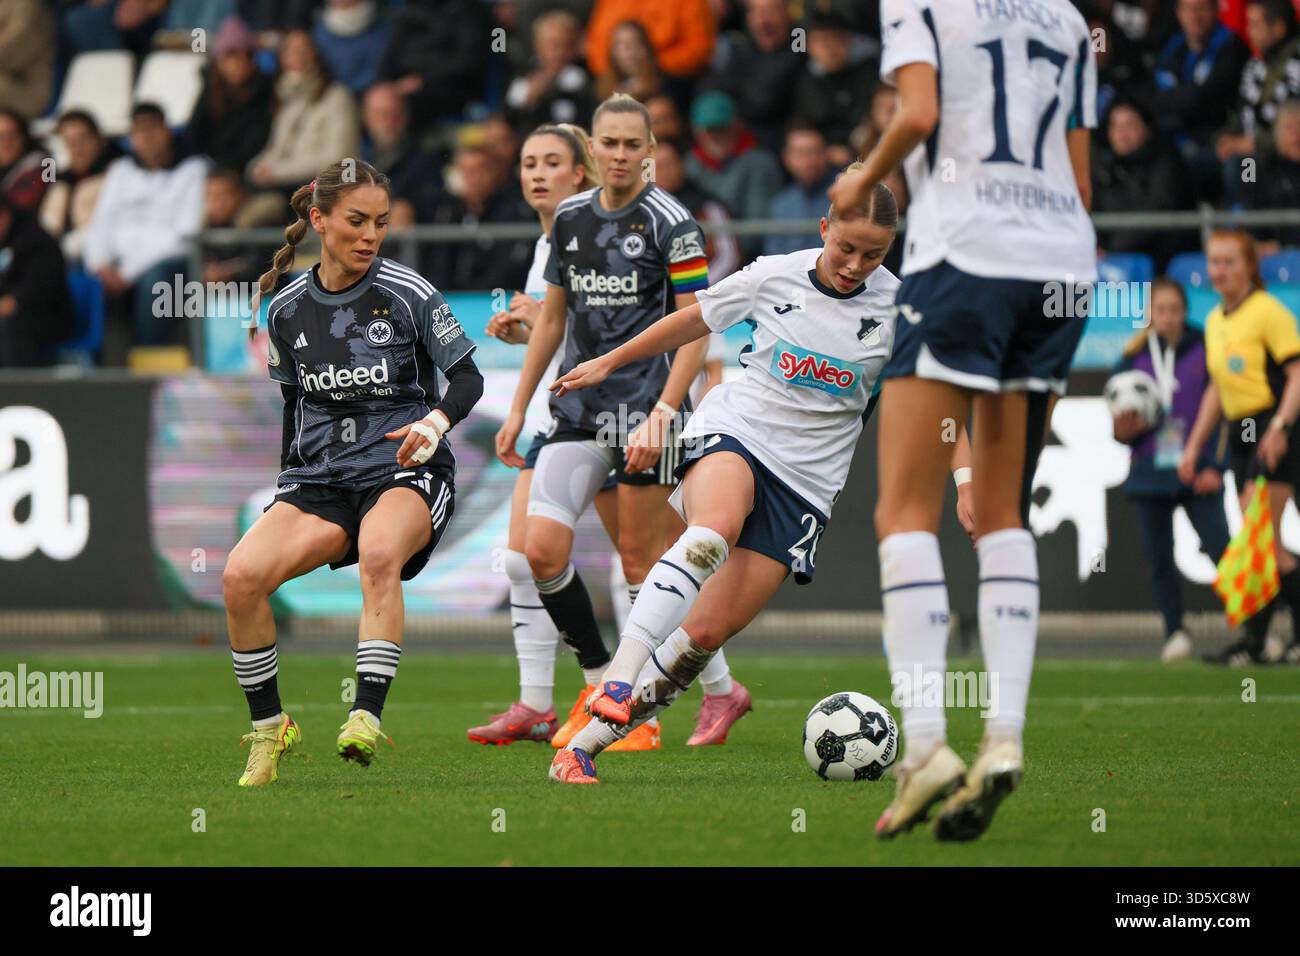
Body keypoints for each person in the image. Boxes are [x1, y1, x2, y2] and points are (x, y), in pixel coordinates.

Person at [830, 0, 1098, 841]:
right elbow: (1083, 183)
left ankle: (928, 748)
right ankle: (1005, 737)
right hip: (1060, 266)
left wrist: (861, 176)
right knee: (1002, 508)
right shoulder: (1066, 17)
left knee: (904, 511)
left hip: (966, 259)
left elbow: (918, 112)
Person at [546, 169, 899, 783]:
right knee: (712, 531)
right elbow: (694, 320)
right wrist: (609, 359)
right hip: (739, 432)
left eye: (874, 255)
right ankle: (619, 677)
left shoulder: (900, 308)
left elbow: (937, 397)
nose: (855, 265)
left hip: (808, 484)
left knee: (703, 635)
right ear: (824, 229)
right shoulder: (773, 274)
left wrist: (967, 474)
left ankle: (582, 751)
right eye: (846, 248)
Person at [494, 94, 746, 755]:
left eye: (632, 145)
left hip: (644, 415)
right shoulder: (570, 220)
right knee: (539, 552)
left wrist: (665, 412)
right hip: (577, 412)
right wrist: (521, 405)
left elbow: (697, 326)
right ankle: (602, 680)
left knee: (640, 563)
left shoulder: (673, 223)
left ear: (650, 151)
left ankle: (638, 712)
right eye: (608, 143)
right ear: (594, 150)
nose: (619, 155)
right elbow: (553, 317)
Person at [223, 158, 484, 785]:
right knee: (239, 578)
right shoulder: (284, 309)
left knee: (378, 553)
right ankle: (269, 729)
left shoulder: (409, 293)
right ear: (318, 220)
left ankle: (364, 715)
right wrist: (290, 482)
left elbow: (468, 377)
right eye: (356, 221)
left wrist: (434, 425)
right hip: (322, 479)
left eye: (382, 224)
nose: (370, 235)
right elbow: (294, 404)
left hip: (405, 466)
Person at [466, 123, 633, 748]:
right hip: (563, 417)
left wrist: (543, 323)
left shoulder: (608, 235)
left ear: (581, 173)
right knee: (523, 557)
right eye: (528, 161)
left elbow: (621, 331)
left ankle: (697, 692)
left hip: (621, 412)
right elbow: (559, 333)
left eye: (552, 162)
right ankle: (542, 702)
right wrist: (525, 330)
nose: (536, 172)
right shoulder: (547, 247)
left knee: (641, 561)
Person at [1179, 230, 1300, 666]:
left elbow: (1296, 374)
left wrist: (1281, 426)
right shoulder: (1214, 320)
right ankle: (1259, 643)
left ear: (1250, 265)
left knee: (1261, 539)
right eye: (1214, 262)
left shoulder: (1269, 312)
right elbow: (1217, 388)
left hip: (1275, 424)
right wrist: (1193, 447)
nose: (1220, 271)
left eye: (1230, 262)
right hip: (1242, 429)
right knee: (1258, 542)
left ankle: (1258, 642)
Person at [1113, 279, 1231, 662]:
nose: (1167, 317)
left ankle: (1256, 625)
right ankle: (1175, 631)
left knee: (1223, 551)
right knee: (1160, 558)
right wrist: (1123, 430)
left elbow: (1227, 412)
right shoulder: (1132, 355)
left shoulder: (1206, 346)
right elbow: (1117, 425)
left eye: (1174, 309)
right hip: (1149, 472)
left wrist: (1215, 466)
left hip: (1197, 470)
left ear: (1184, 311)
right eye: (1159, 310)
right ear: (1151, 313)